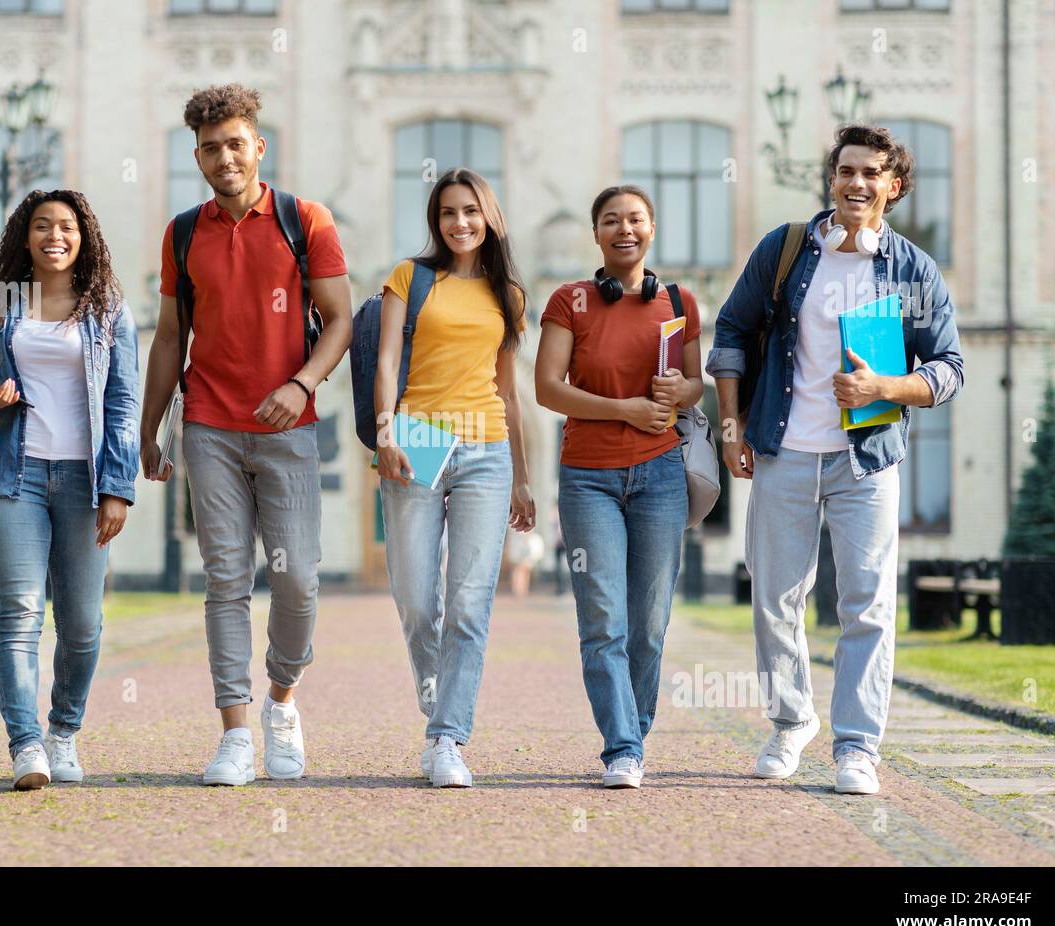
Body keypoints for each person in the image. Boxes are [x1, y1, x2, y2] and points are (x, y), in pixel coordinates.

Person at [706, 124, 964, 795]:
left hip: (869, 458)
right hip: (784, 449)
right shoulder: (787, 251)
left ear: (893, 186)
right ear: (832, 179)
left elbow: (949, 368)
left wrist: (884, 387)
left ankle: (857, 748)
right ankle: (791, 723)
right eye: (845, 171)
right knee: (774, 600)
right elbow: (731, 330)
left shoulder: (914, 270)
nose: (856, 184)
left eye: (871, 173)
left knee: (867, 605)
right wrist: (730, 427)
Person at [140, 83, 352, 786]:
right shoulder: (180, 233)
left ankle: (282, 702)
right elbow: (171, 337)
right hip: (208, 425)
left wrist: (302, 384)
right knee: (225, 577)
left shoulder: (305, 219)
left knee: (298, 582)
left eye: (235, 144)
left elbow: (341, 320)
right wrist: (151, 430)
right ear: (196, 156)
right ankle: (234, 731)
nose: (224, 157)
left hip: (290, 428)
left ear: (258, 146)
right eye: (209, 148)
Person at [0, 188, 140, 791]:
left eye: (67, 226)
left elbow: (124, 402)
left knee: (82, 623)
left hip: (85, 480)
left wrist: (118, 486)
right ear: (23, 236)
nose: (55, 236)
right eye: (41, 225)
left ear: (84, 237)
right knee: (21, 612)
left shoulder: (108, 307)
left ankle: (63, 731)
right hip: (12, 475)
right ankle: (26, 744)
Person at [535, 185, 702, 790]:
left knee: (649, 622)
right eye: (611, 220)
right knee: (604, 620)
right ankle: (622, 747)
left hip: (661, 476)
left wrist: (678, 393)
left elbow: (694, 384)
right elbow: (548, 390)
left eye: (635, 219)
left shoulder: (679, 302)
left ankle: (636, 730)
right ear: (597, 233)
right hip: (588, 479)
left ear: (651, 228)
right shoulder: (569, 300)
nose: (624, 229)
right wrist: (624, 410)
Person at [375, 167, 535, 788]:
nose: (459, 222)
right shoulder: (409, 279)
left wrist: (522, 476)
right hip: (417, 438)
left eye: (470, 211)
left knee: (470, 603)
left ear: (488, 217)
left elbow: (509, 391)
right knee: (417, 600)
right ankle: (435, 686)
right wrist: (387, 430)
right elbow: (387, 359)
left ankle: (447, 738)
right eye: (447, 212)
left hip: (487, 447)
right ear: (435, 221)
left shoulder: (508, 295)